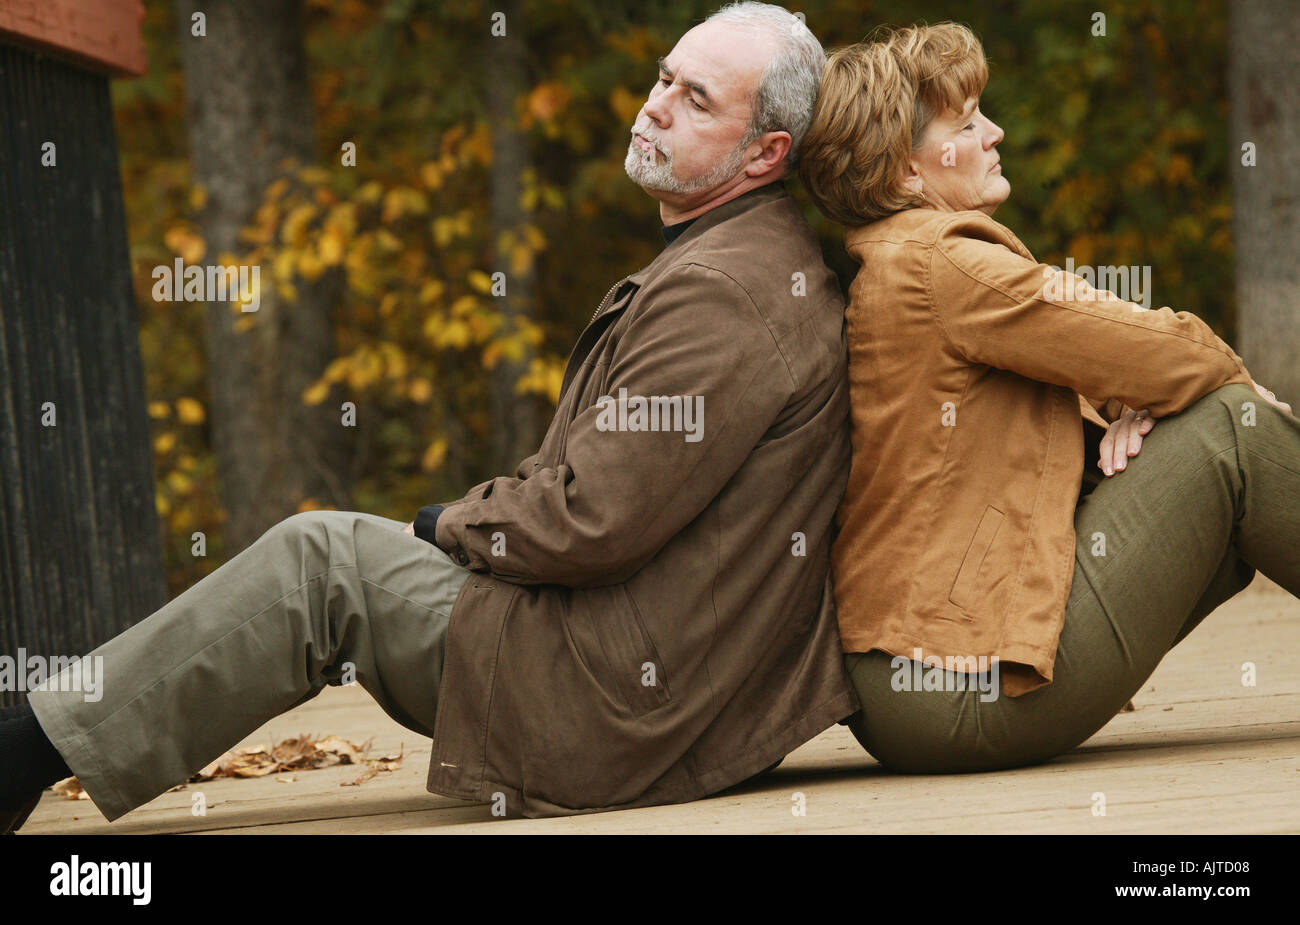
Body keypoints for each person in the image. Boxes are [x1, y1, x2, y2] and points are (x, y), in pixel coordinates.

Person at [1, 2, 857, 832]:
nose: (656, 104)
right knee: (334, 556)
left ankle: (16, 757)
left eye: (696, 98)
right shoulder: (740, 263)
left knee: (321, 562)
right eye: (665, 76)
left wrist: (447, 521)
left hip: (613, 700)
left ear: (765, 153)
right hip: (648, 679)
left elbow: (592, 519)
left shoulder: (723, 294)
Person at [796, 22, 1299, 773]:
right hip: (953, 685)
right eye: (967, 124)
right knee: (1235, 429)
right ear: (906, 171)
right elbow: (1148, 345)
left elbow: (1102, 371)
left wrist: (1143, 409)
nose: (994, 132)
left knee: (1214, 445)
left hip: (915, 681)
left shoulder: (899, 263)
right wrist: (1223, 377)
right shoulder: (940, 263)